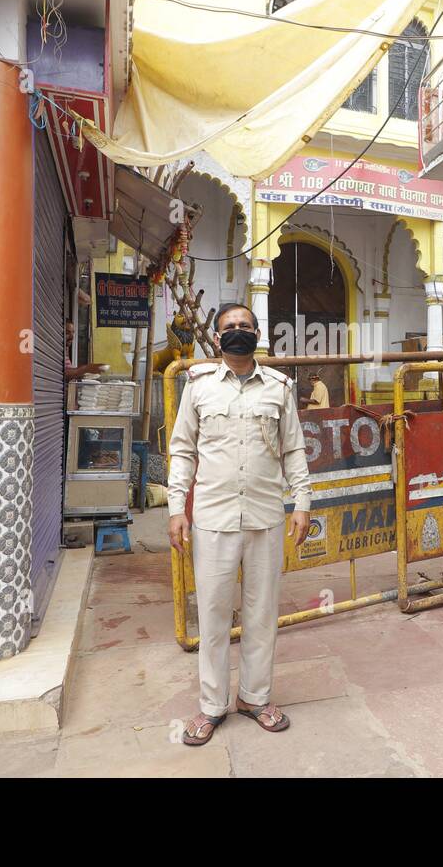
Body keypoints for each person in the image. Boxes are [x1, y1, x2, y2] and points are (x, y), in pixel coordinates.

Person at [167, 302, 312, 746]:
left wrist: (302, 501)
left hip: (266, 517)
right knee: (211, 614)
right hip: (213, 518)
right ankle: (212, 705)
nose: (237, 332)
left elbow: (294, 450)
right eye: (229, 327)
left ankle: (254, 697)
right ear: (217, 337)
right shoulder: (199, 386)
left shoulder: (280, 388)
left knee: (262, 612)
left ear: (257, 333)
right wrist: (176, 508)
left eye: (245, 326)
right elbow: (183, 449)